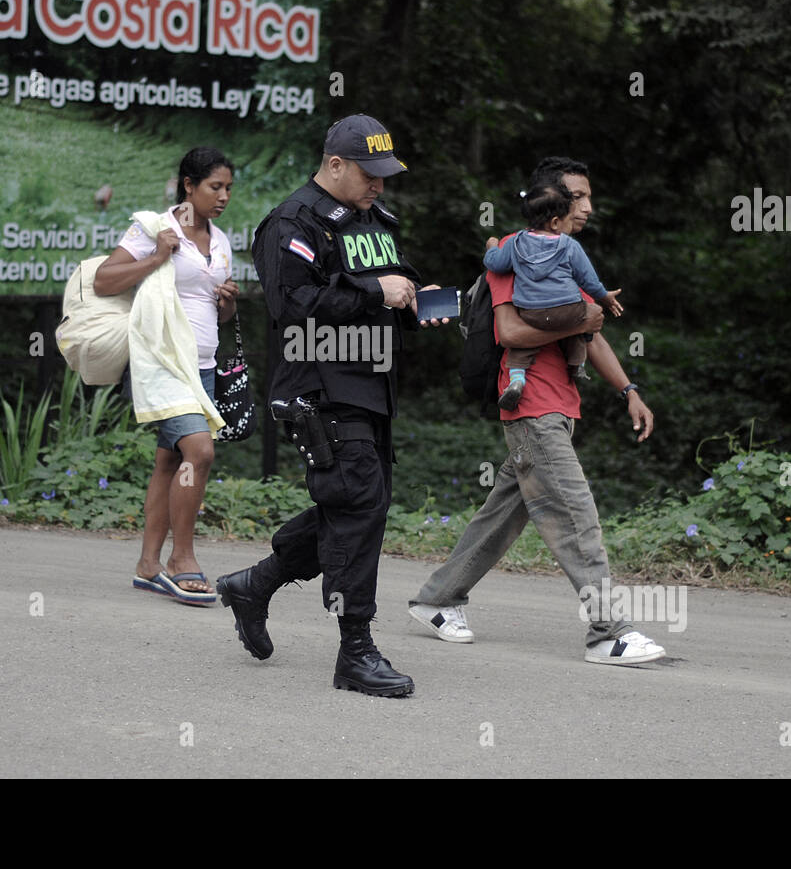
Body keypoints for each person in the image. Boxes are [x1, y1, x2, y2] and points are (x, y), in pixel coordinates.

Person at [218, 114, 449, 698]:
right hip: (319, 385)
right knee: (358, 504)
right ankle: (356, 650)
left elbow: (390, 284)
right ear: (335, 164)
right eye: (369, 175)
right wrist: (376, 291)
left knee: (354, 505)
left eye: (385, 176)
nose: (378, 186)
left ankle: (256, 583)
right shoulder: (292, 222)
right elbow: (291, 305)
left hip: (370, 383)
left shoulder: (374, 219)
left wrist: (415, 302)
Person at [408, 156, 666, 666]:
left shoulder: (566, 255)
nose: (588, 207)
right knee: (575, 514)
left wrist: (629, 390)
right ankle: (608, 631)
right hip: (530, 406)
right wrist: (578, 321)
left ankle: (437, 600)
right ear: (549, 201)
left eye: (590, 197)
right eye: (578, 197)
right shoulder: (517, 252)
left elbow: (590, 334)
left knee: (503, 514)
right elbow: (511, 333)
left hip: (560, 407)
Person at [93, 147, 239, 606]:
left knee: (169, 462)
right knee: (199, 450)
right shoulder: (155, 228)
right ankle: (182, 559)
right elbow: (104, 280)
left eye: (229, 188)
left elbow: (217, 309)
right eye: (215, 187)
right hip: (161, 361)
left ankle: (147, 564)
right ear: (188, 185)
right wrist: (157, 256)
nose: (223, 197)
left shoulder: (221, 241)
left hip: (204, 365)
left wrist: (228, 303)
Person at [483, 177, 623, 406]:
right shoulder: (568, 246)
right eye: (569, 219)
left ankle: (517, 379)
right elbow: (589, 280)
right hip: (568, 311)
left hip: (531, 314)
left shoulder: (514, 243)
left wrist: (491, 247)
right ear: (556, 223)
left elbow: (496, 264)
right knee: (590, 314)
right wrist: (604, 297)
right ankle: (577, 363)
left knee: (521, 344)